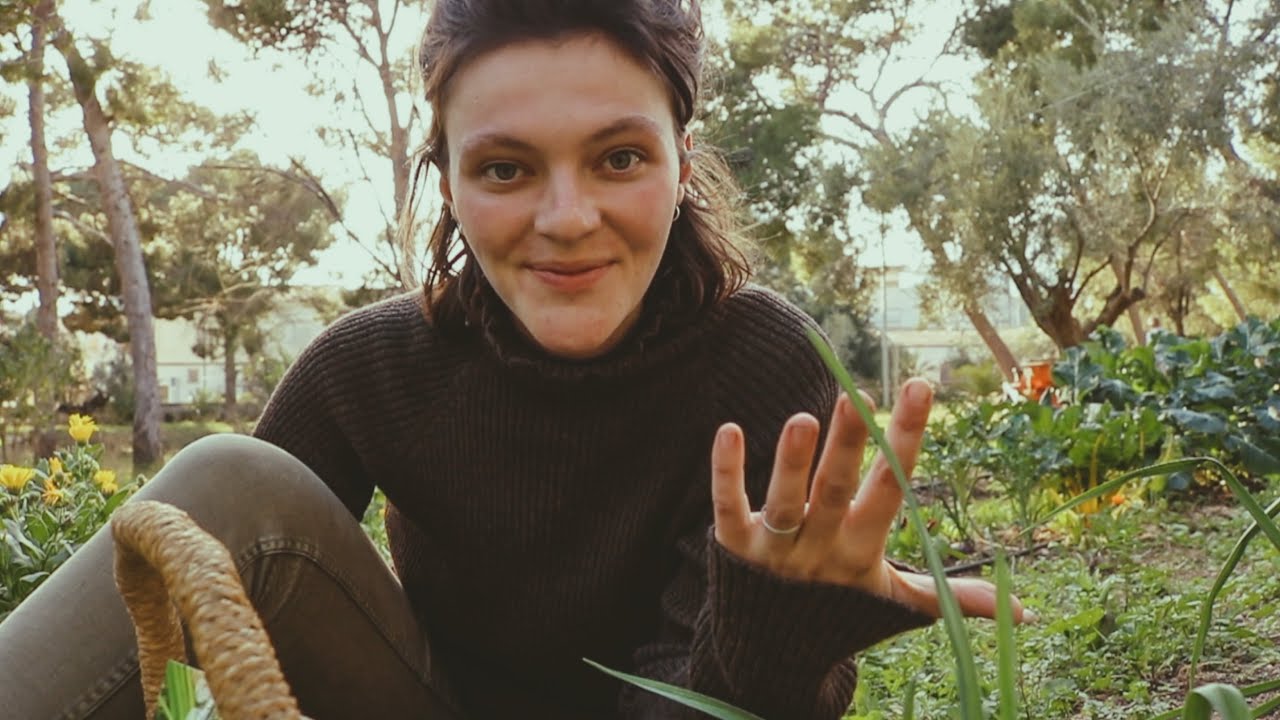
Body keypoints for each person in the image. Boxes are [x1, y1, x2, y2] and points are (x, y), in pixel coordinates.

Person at [0, 1, 1028, 718]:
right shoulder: (373, 367)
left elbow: (714, 698)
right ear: (446, 180)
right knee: (227, 481)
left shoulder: (760, 365)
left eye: (618, 157)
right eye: (504, 167)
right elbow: (205, 627)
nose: (565, 219)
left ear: (679, 162)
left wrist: (776, 638)